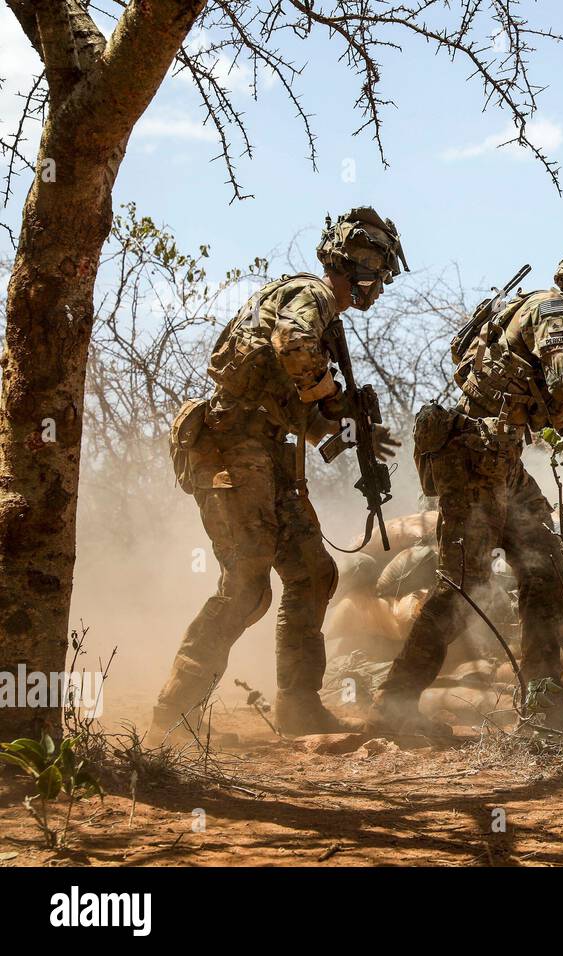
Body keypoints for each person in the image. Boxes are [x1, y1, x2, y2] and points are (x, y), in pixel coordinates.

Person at [151, 207, 405, 740]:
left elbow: (293, 402)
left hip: (266, 450)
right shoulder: (310, 297)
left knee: (313, 574)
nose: (381, 286)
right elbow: (293, 348)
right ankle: (174, 715)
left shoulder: (324, 314)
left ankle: (298, 706)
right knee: (247, 585)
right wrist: (335, 400)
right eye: (379, 272)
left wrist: (346, 434)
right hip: (232, 444)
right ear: (360, 264)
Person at [371, 247, 563, 734]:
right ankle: (394, 704)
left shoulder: (534, 312)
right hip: (475, 457)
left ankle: (544, 704)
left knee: (546, 568)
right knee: (463, 585)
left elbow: (555, 417)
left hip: (498, 460)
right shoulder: (553, 312)